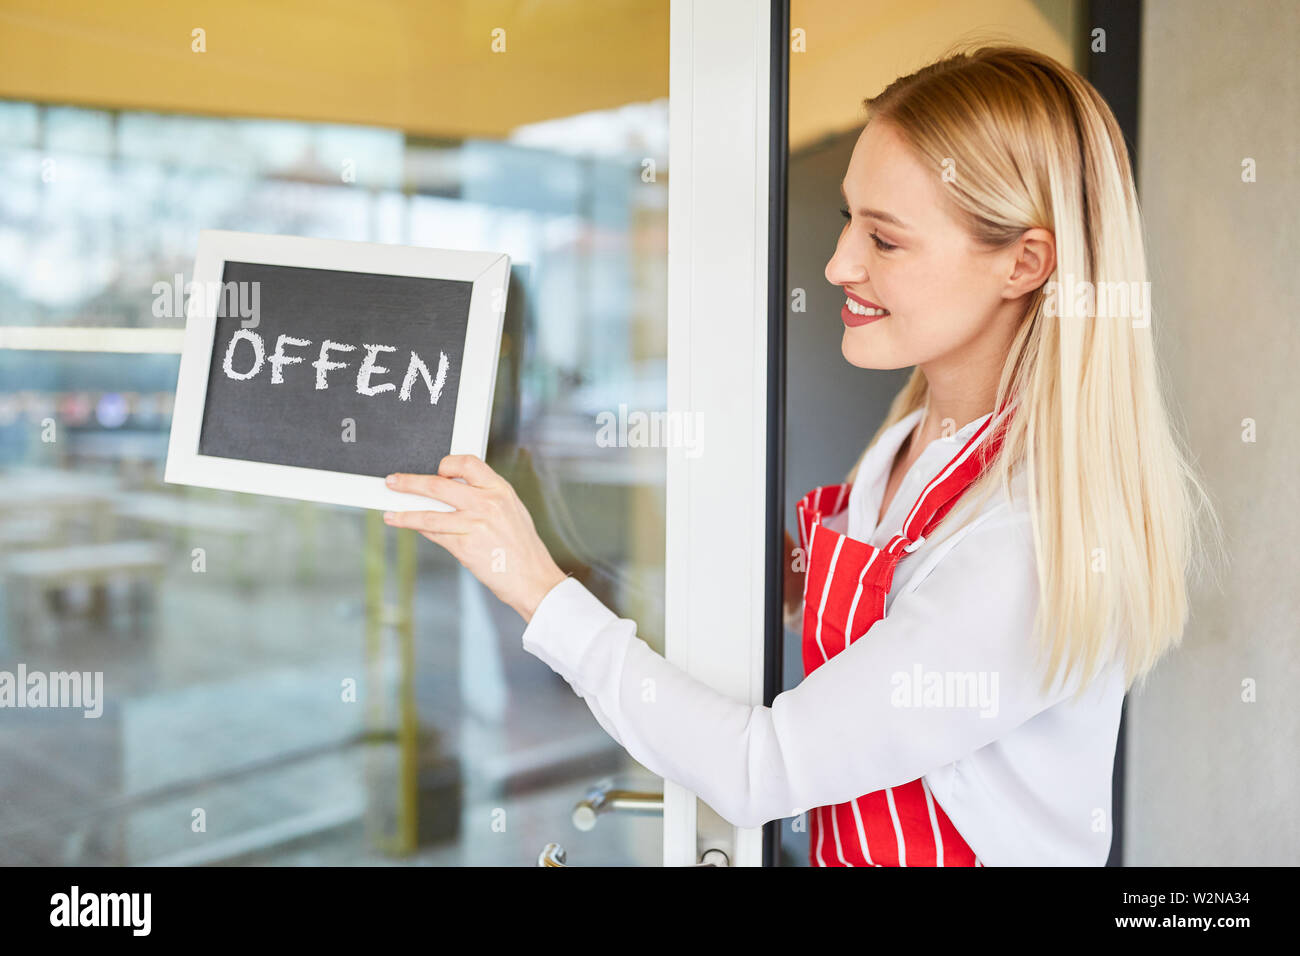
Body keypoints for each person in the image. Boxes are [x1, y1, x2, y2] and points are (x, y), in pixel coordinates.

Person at [381, 45, 1217, 866]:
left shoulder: (1025, 540)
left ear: (1024, 264)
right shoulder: (910, 442)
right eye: (849, 217)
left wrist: (534, 585)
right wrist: (775, 587)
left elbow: (760, 770)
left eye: (885, 241)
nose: (838, 263)